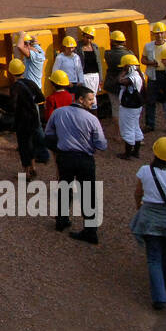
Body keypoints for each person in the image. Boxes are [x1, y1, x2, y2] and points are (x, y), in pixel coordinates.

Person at [130, 137, 166, 310]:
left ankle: (159, 296)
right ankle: (164, 283)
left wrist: (139, 208)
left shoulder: (145, 171)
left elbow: (138, 193)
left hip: (148, 217)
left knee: (153, 258)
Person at [43, 87, 107, 243]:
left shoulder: (59, 113)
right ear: (80, 99)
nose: (93, 102)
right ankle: (90, 231)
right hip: (85, 159)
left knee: (64, 188)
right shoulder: (92, 119)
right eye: (90, 99)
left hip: (65, 157)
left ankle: (61, 220)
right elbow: (102, 144)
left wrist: (59, 145)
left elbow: (48, 133)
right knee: (88, 194)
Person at [8, 58, 44, 180]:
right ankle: (33, 167)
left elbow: (13, 105)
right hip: (33, 117)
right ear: (23, 69)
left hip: (22, 120)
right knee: (31, 143)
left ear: (11, 72)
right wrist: (31, 103)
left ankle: (26, 172)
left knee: (24, 145)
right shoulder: (31, 83)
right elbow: (41, 97)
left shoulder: (15, 87)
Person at [141, 22, 166, 133]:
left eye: (161, 33)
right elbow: (143, 60)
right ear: (154, 34)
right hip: (154, 76)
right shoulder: (148, 46)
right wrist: (151, 63)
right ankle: (150, 124)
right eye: (157, 33)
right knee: (150, 101)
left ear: (165, 33)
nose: (159, 36)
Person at [116, 53, 145, 160]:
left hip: (129, 107)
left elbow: (119, 80)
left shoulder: (133, 77)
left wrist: (123, 71)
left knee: (127, 129)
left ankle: (127, 154)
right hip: (136, 106)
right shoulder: (139, 74)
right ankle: (136, 152)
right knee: (135, 127)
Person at [103, 30, 132, 108]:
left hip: (111, 84)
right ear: (124, 42)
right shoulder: (129, 54)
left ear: (112, 41)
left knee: (115, 108)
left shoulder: (108, 54)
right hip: (125, 84)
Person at [77, 26, 104, 103]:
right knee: (87, 97)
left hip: (95, 76)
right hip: (84, 75)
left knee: (93, 97)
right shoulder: (78, 47)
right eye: (87, 37)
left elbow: (98, 62)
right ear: (83, 36)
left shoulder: (95, 47)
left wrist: (101, 78)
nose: (89, 40)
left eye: (91, 38)